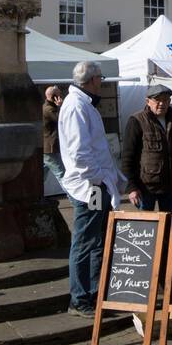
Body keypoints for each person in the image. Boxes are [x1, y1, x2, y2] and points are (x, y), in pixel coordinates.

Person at [58, 62, 125, 318]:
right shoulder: (76, 105)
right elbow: (79, 153)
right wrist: (98, 179)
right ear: (93, 79)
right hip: (91, 188)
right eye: (100, 78)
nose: (102, 82)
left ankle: (97, 293)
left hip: (98, 185)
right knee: (86, 241)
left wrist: (112, 177)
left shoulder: (84, 103)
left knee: (99, 240)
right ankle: (80, 298)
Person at [122, 85, 172, 213]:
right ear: (147, 101)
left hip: (171, 185)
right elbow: (127, 157)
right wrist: (131, 188)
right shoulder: (136, 120)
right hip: (146, 187)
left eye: (166, 100)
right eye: (157, 100)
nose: (162, 104)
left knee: (169, 226)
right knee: (146, 228)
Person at [42, 86, 65, 187]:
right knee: (62, 174)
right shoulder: (49, 109)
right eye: (59, 95)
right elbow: (62, 120)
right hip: (50, 148)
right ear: (54, 97)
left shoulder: (47, 107)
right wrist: (60, 106)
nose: (61, 97)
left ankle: (36, 195)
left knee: (41, 174)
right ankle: (77, 201)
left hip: (47, 148)